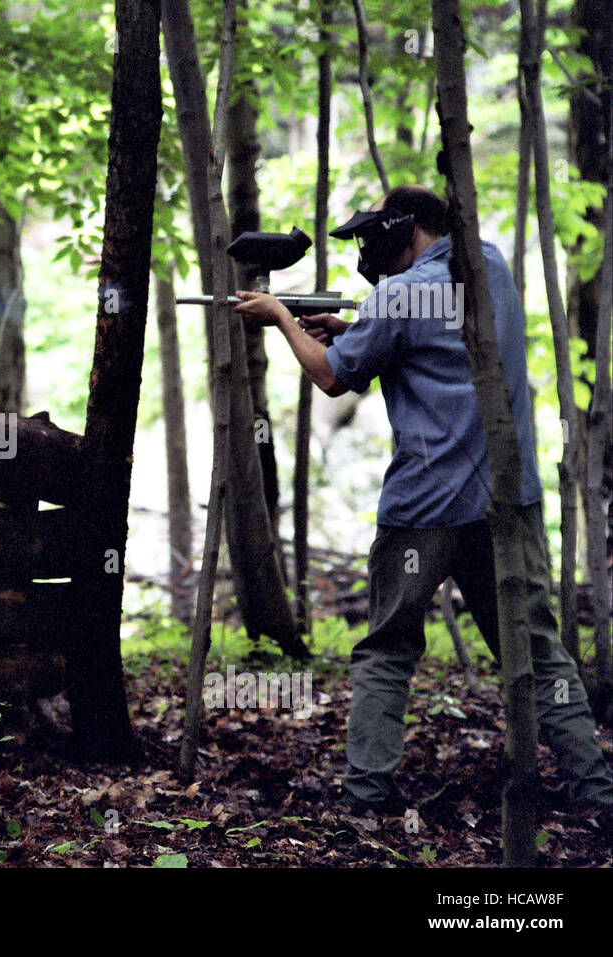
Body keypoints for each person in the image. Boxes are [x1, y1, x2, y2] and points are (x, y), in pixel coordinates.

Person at [232, 185, 613, 826]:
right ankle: (597, 794)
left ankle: (367, 798)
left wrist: (281, 318)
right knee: (541, 653)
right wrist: (354, 327)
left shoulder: (399, 294)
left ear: (408, 230)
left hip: (425, 510)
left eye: (378, 230)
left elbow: (330, 377)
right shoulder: (490, 265)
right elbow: (440, 344)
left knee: (387, 650)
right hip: (506, 502)